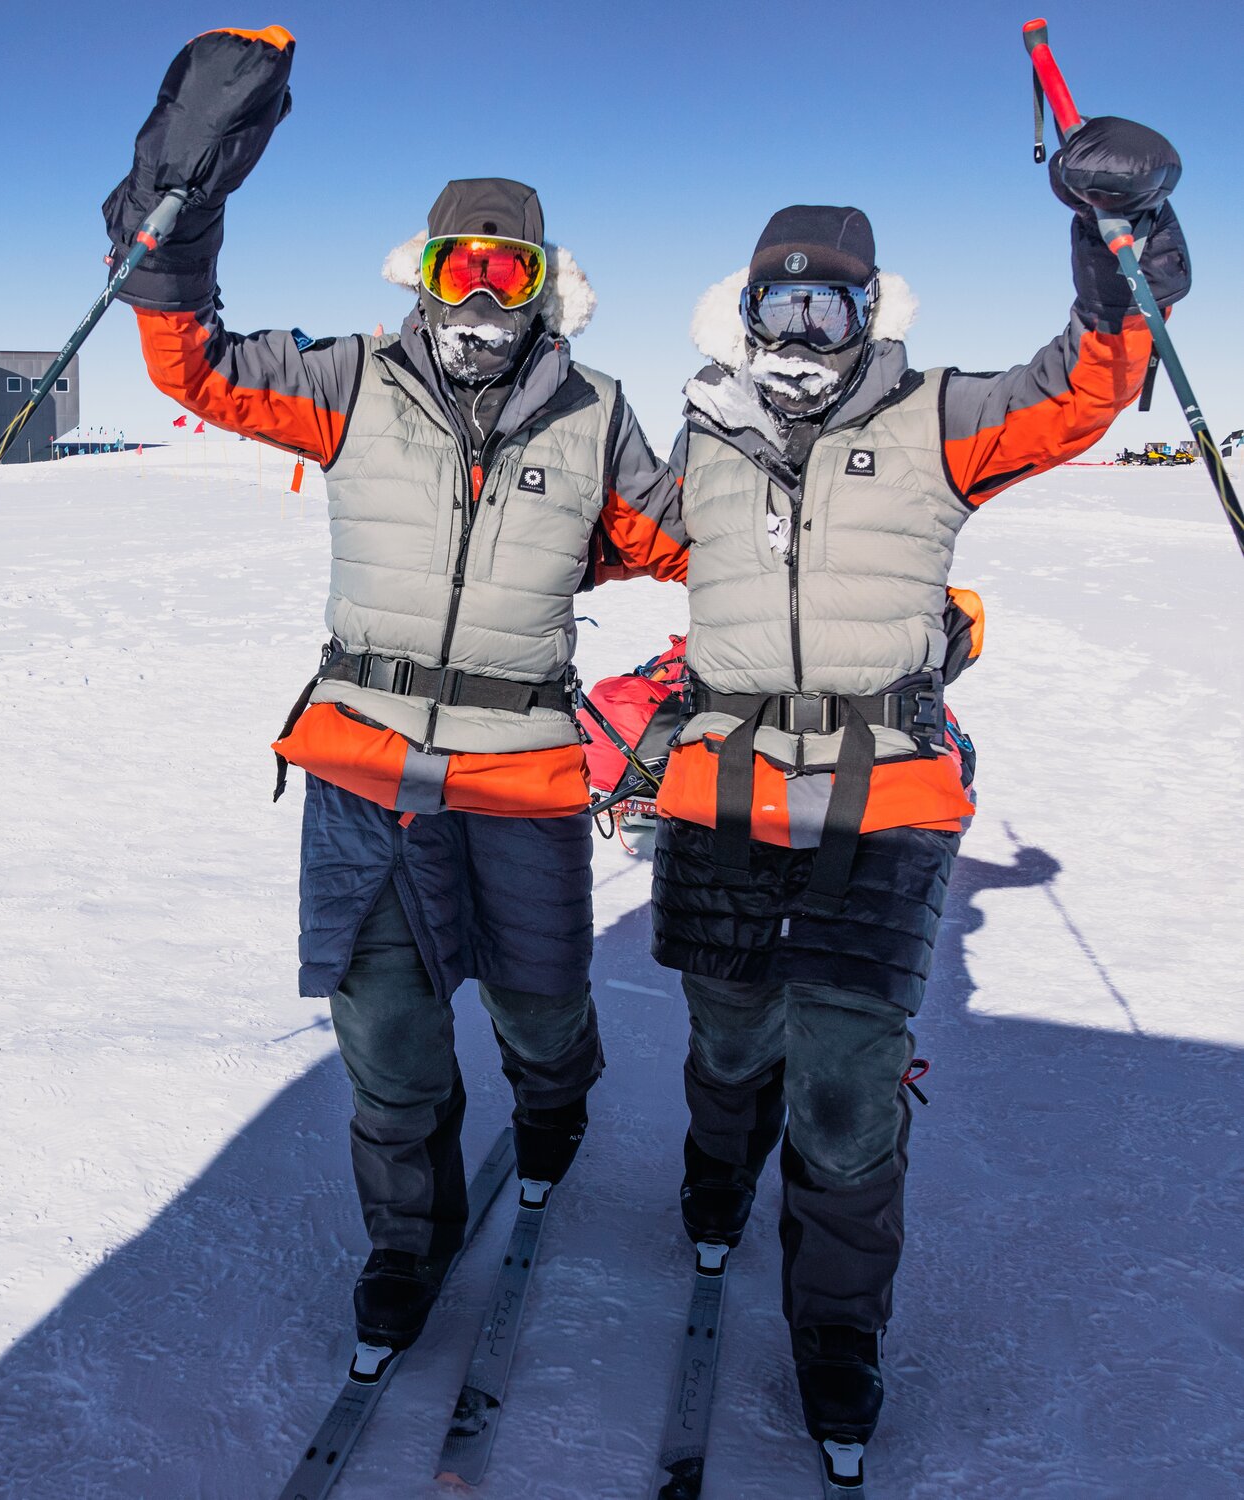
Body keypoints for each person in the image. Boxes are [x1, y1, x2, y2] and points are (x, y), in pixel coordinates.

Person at [586, 119, 1190, 1465]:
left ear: (871, 312)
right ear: (742, 315)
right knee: (731, 1039)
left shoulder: (938, 419)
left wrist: (1122, 241)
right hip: (723, 793)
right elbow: (585, 524)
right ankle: (711, 1180)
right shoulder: (699, 448)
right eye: (779, 302)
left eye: (831, 302)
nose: (803, 328)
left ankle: (836, 1335)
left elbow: (1087, 386)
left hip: (885, 801)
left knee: (848, 1091)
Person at [100, 28, 669, 1363]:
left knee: (543, 1014)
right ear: (419, 274)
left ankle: (554, 1102)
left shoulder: (596, 411)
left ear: (545, 287)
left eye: (506, 267)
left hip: (525, 770)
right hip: (364, 767)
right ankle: (406, 1248)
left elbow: (690, 537)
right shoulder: (350, 378)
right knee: (389, 1044)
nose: (479, 291)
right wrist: (178, 208)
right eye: (455, 265)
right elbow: (190, 368)